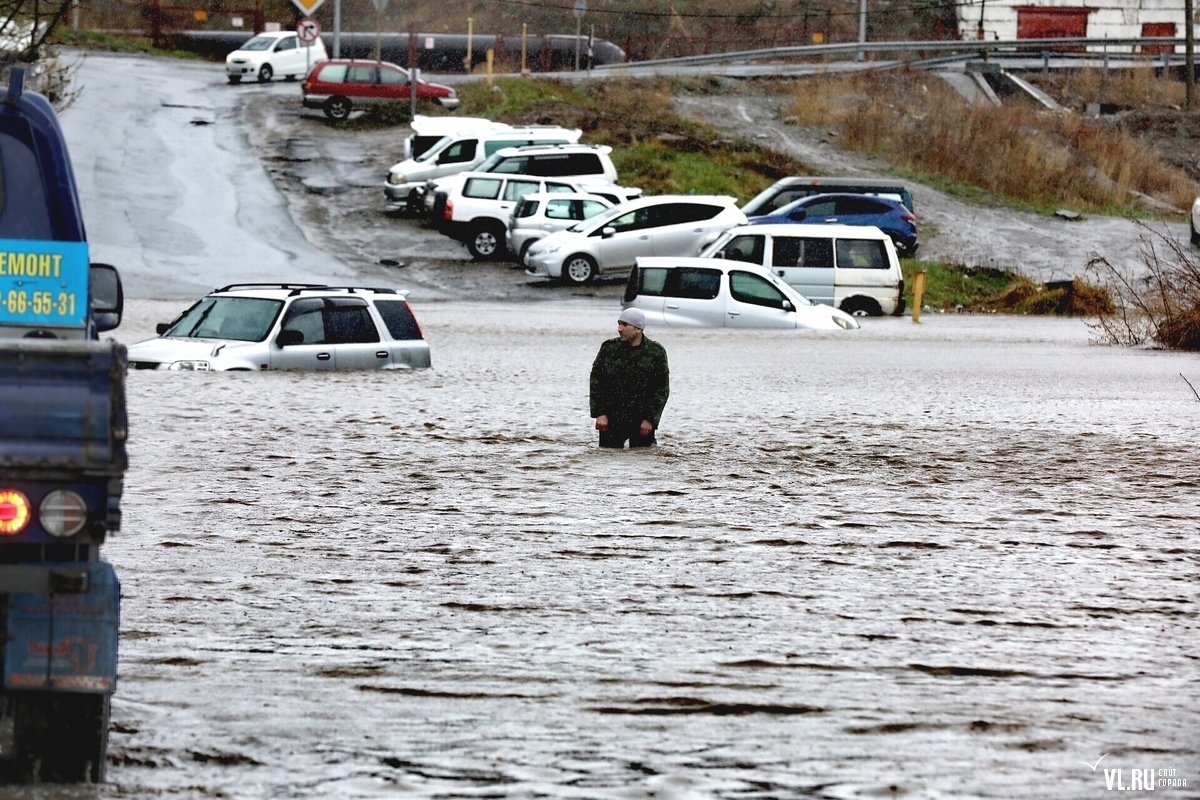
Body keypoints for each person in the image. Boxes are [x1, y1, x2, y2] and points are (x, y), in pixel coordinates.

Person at [589, 308, 670, 448]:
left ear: (638, 329)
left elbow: (661, 389)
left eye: (625, 325)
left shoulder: (655, 352)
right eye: (619, 324)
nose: (619, 329)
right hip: (612, 419)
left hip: (641, 420)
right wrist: (600, 413)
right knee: (607, 459)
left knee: (643, 460)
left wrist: (650, 420)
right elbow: (596, 382)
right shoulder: (609, 348)